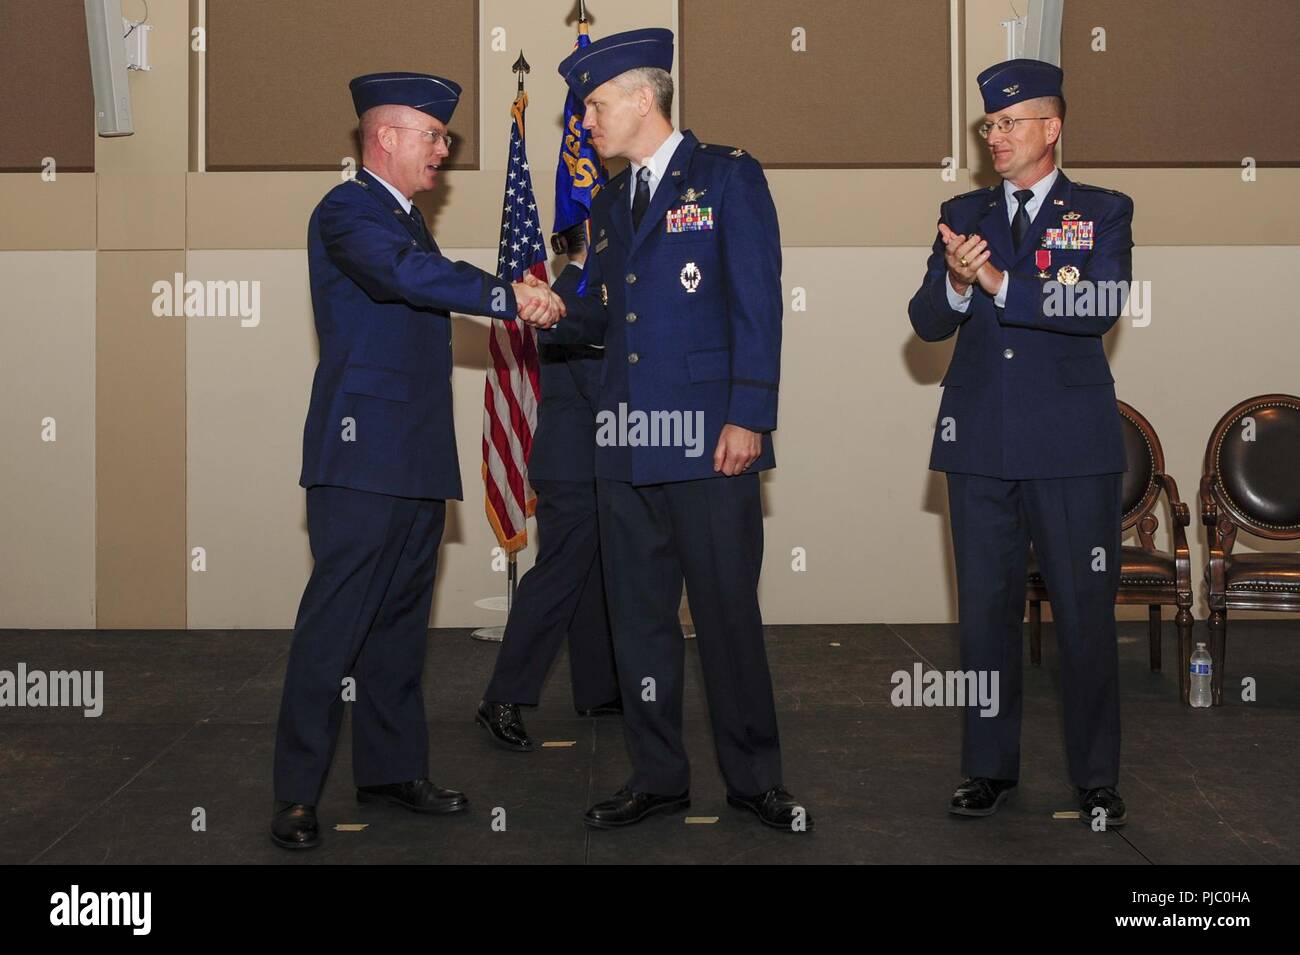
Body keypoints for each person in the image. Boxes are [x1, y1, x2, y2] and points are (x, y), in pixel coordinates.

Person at [271, 71, 564, 850]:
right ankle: (297, 792)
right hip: (360, 459)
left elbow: (418, 282)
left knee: (400, 627)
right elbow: (406, 278)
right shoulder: (348, 212)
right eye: (433, 135)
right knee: (332, 629)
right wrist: (507, 295)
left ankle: (391, 768)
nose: (443, 149)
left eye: (444, 136)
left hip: (416, 460)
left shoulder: (406, 221)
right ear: (386, 136)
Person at [539, 28, 811, 831]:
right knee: (641, 622)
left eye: (593, 104)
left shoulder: (727, 177)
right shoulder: (614, 204)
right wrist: (553, 306)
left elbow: (756, 303)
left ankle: (756, 777)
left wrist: (749, 415)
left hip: (709, 442)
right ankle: (657, 773)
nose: (584, 120)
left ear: (639, 97)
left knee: (727, 616)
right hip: (623, 442)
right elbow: (610, 316)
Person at [907, 58, 1133, 827]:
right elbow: (927, 321)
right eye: (988, 125)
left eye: (1008, 123)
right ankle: (988, 769)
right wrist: (958, 285)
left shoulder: (1102, 209)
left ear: (1052, 127)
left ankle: (1096, 777)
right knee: (985, 617)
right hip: (979, 446)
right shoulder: (961, 211)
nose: (993, 137)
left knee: (1083, 618)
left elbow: (1099, 303)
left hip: (1071, 449)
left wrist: (1002, 283)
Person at [475, 338, 621, 751]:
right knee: (556, 580)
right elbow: (601, 384)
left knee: (589, 573)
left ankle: (598, 690)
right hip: (572, 465)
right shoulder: (573, 302)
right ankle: (502, 696)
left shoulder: (585, 295)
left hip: (589, 460)